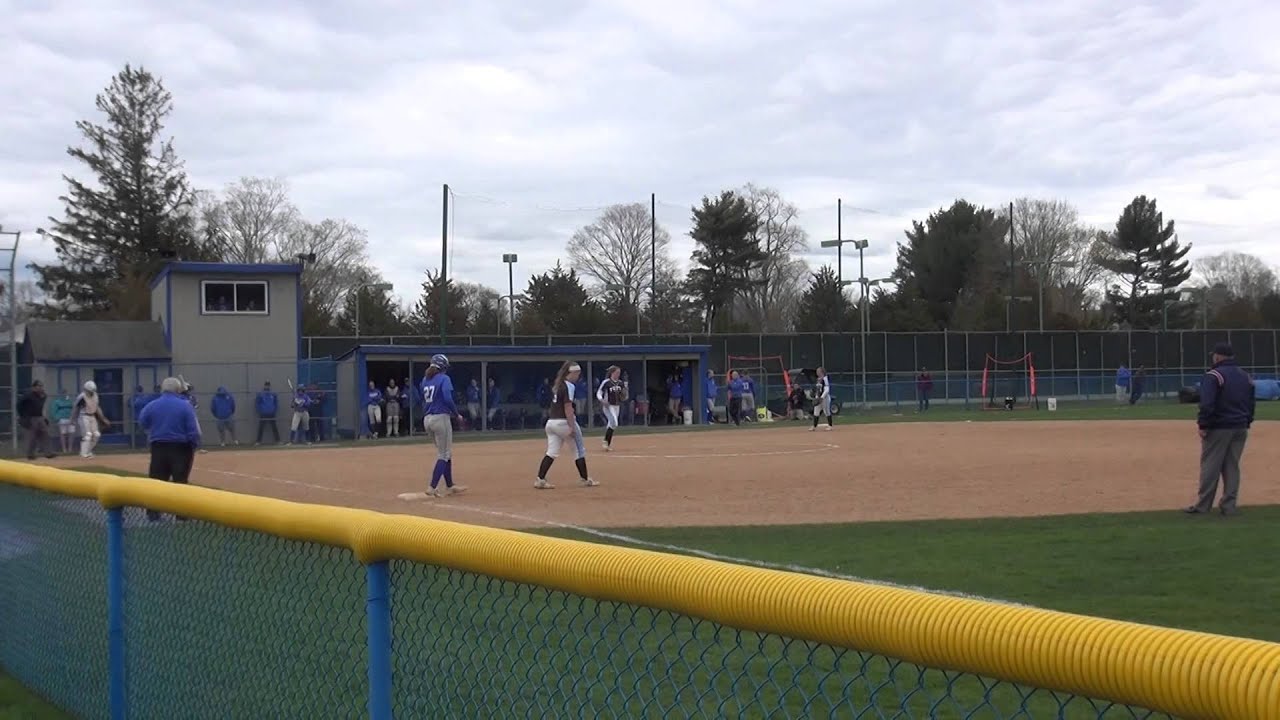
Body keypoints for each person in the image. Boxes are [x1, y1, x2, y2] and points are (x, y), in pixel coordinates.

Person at [1186, 343, 1255, 517]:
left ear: (1218, 357)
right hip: (1240, 426)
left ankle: (1203, 505)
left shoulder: (1214, 375)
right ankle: (1229, 505)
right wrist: (1247, 420)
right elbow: (1251, 402)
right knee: (1232, 466)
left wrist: (1203, 424)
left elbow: (1207, 403)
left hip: (1219, 426)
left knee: (1211, 465)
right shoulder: (1244, 375)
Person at [138, 377, 202, 522]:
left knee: (156, 481)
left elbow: (142, 421)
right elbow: (193, 430)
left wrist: (153, 430)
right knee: (180, 481)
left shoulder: (152, 405)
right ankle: (181, 514)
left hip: (158, 446)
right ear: (178, 390)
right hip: (180, 447)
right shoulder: (185, 406)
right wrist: (193, 444)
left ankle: (153, 513)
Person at [535, 361, 598, 489]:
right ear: (571, 373)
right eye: (577, 373)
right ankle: (585, 479)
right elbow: (568, 407)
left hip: (551, 423)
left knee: (551, 452)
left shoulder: (558, 385)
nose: (578, 376)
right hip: (563, 422)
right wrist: (571, 426)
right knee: (578, 450)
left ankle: (540, 479)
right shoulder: (569, 386)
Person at [414, 354, 467, 498]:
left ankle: (450, 486)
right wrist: (456, 414)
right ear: (442, 366)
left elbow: (423, 400)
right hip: (440, 418)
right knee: (443, 455)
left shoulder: (425, 380)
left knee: (445, 452)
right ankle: (432, 487)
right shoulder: (444, 379)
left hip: (428, 419)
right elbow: (447, 398)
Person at [17, 380, 55, 460]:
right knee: (32, 437)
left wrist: (44, 417)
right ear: (34, 387)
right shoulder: (28, 395)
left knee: (45, 434)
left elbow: (41, 406)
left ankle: (48, 453)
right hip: (30, 418)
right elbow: (19, 404)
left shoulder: (42, 395)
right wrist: (23, 416)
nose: (41, 388)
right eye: (39, 386)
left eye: (41, 386)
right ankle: (30, 454)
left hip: (40, 417)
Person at [72, 380, 109, 458]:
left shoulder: (95, 395)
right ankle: (83, 453)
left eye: (92, 391)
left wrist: (103, 418)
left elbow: (97, 407)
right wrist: (72, 419)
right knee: (88, 435)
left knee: (96, 434)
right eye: (89, 391)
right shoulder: (82, 397)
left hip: (92, 416)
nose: (90, 393)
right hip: (83, 416)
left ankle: (88, 451)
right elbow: (76, 408)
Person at [596, 365, 626, 451]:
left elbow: (623, 394)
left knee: (611, 424)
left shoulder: (620, 383)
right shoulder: (606, 382)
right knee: (614, 423)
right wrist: (602, 400)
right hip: (608, 406)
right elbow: (599, 392)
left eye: (619, 373)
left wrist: (624, 396)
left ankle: (607, 444)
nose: (618, 374)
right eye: (617, 372)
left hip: (617, 406)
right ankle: (605, 441)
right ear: (612, 373)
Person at [254, 381, 280, 445]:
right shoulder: (260, 394)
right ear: (264, 386)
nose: (267, 386)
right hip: (263, 414)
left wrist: (274, 410)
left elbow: (276, 403)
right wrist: (260, 410)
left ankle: (278, 440)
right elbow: (257, 403)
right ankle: (258, 441)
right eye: (266, 385)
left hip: (271, 413)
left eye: (268, 385)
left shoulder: (273, 394)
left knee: (274, 427)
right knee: (261, 428)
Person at [51, 388, 75, 454]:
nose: (64, 394)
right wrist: (56, 419)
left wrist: (73, 418)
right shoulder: (57, 401)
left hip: (70, 418)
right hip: (62, 419)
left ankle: (70, 448)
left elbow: (74, 409)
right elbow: (53, 411)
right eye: (63, 393)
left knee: (71, 433)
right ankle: (64, 449)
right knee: (63, 434)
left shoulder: (70, 401)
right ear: (60, 394)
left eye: (65, 392)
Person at [810, 367, 834, 432]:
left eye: (818, 371)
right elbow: (817, 389)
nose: (817, 372)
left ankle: (830, 426)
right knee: (816, 411)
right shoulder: (818, 379)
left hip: (824, 398)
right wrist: (816, 396)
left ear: (822, 372)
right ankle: (814, 426)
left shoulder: (825, 379)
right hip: (818, 398)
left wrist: (822, 397)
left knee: (826, 411)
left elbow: (827, 389)